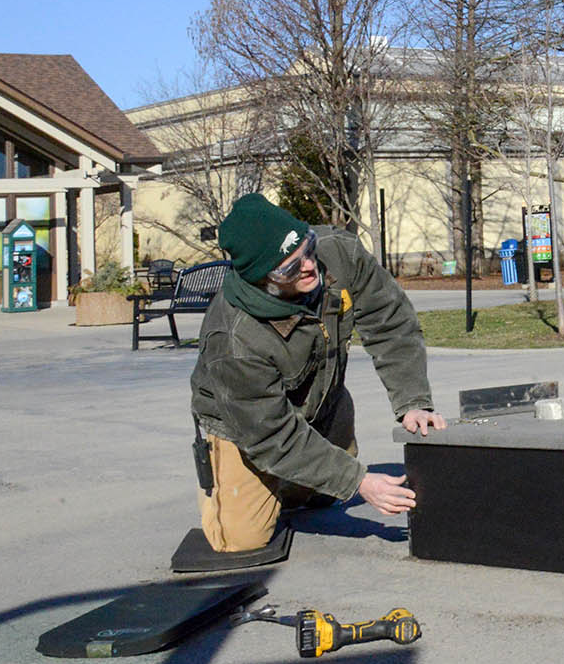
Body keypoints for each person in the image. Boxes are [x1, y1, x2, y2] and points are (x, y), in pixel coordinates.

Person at [189, 191, 446, 557]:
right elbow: (270, 435)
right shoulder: (234, 339)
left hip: (320, 397)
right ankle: (239, 474)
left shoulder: (339, 252)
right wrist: (358, 481)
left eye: (307, 250)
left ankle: (300, 473)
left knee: (321, 497)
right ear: (263, 278)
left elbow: (391, 324)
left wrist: (413, 402)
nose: (309, 266)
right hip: (245, 425)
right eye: (290, 267)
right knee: (241, 541)